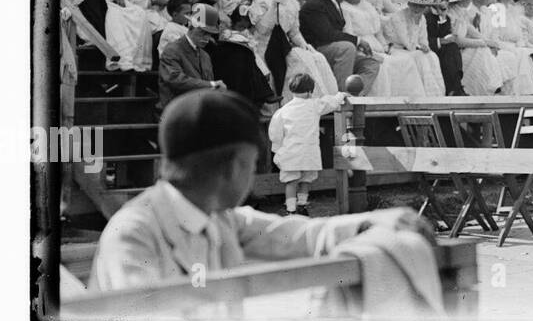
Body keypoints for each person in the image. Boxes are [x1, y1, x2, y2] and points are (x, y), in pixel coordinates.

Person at [89, 88, 431, 300]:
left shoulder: (217, 216)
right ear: (234, 167)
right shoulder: (134, 234)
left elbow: (296, 234)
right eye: (253, 164)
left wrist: (378, 220)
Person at [268, 73, 347, 216]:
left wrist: (277, 149)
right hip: (309, 152)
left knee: (291, 181)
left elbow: (275, 133)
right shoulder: (315, 105)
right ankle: (302, 206)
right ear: (311, 91)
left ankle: (290, 210)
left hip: (291, 151)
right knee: (306, 180)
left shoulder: (283, 110)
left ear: (292, 90)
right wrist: (340, 95)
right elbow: (331, 103)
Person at [299, 0, 380, 93]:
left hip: (332, 48)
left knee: (371, 63)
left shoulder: (333, 1)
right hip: (316, 49)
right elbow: (327, 35)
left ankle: (354, 95)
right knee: (347, 48)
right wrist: (358, 41)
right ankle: (342, 96)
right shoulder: (315, 5)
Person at [157, 4, 224, 108]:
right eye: (203, 32)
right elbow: (175, 80)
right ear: (191, 26)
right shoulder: (172, 50)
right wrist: (211, 85)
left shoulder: (205, 56)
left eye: (209, 34)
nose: (206, 38)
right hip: (176, 110)